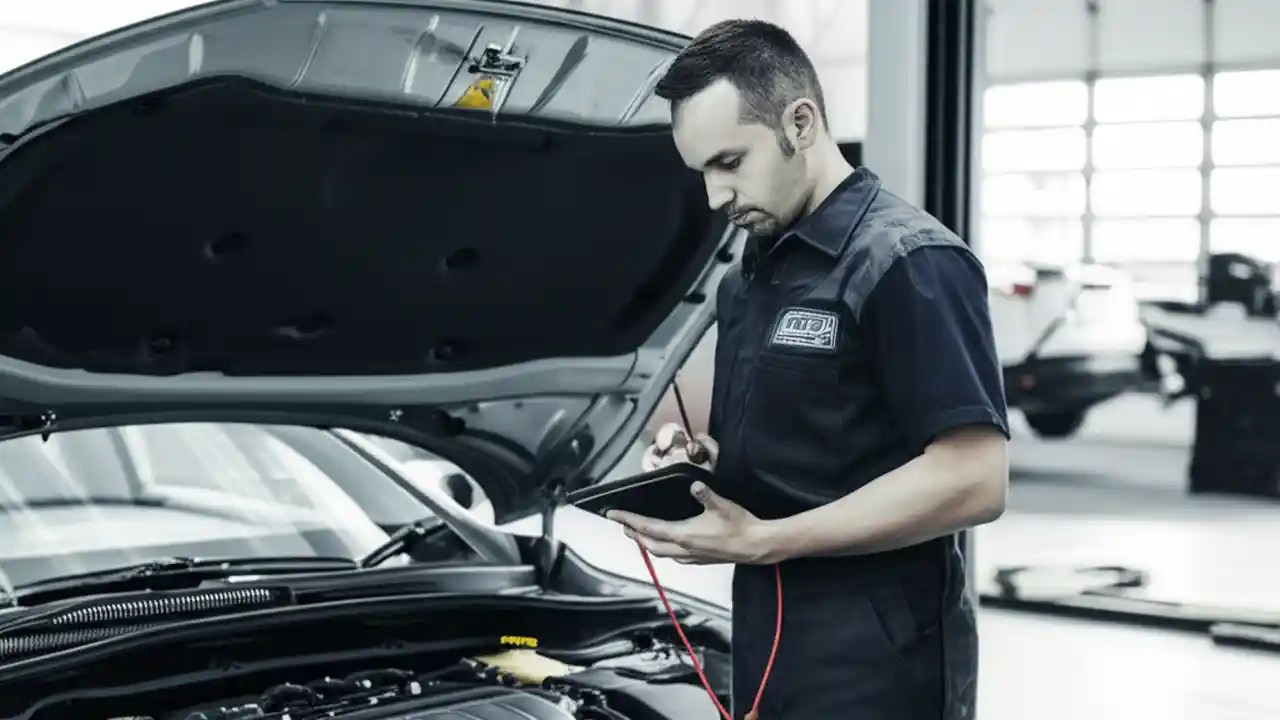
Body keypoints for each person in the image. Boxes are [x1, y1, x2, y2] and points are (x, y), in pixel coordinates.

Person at [607, 19, 1011, 720]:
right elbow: (806, 444)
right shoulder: (753, 273)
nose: (714, 197)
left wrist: (767, 540)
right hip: (767, 638)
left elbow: (974, 479)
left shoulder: (907, 262)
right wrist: (708, 462)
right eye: (702, 170)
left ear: (800, 122)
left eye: (729, 161)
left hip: (878, 656)